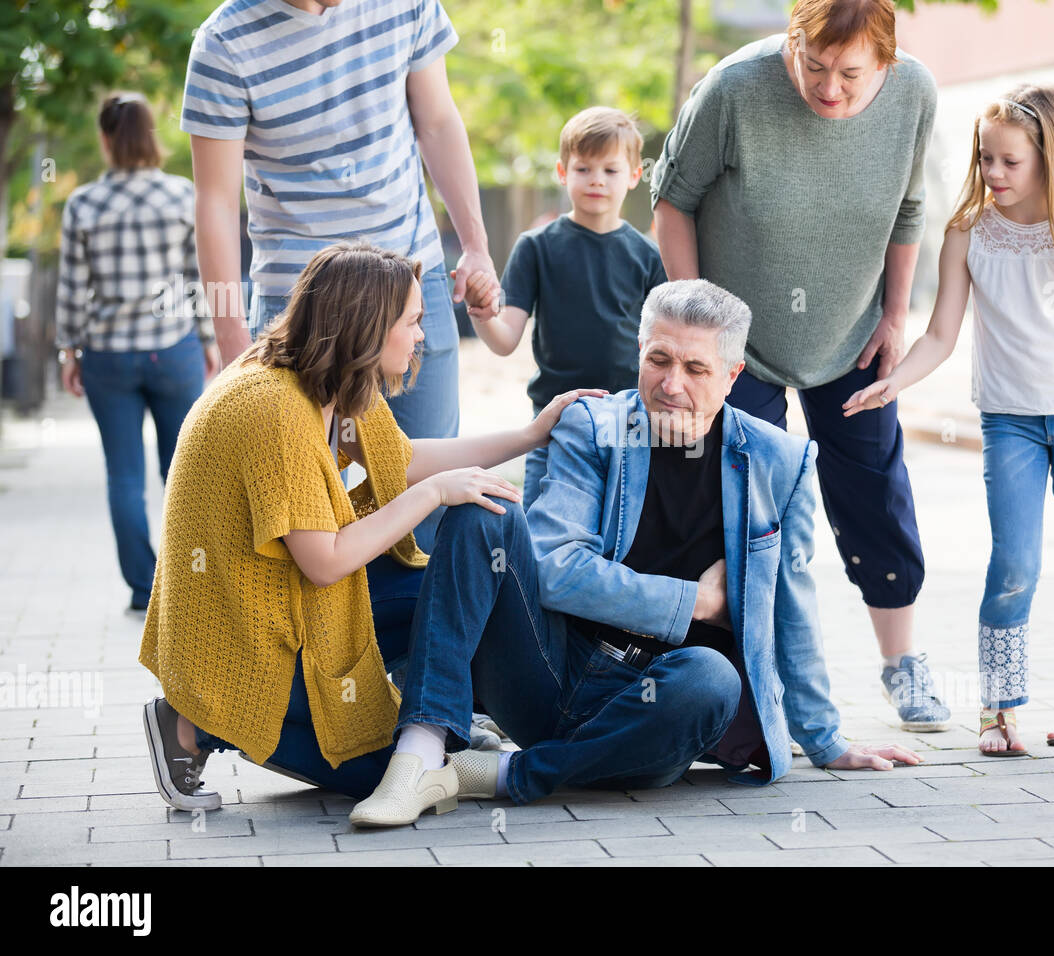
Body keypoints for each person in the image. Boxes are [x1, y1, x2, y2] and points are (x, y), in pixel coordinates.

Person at [349, 279, 921, 827]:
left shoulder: (782, 462)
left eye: (696, 368)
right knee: (481, 507)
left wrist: (826, 741)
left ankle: (506, 773)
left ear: (732, 375)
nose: (672, 384)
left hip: (657, 709)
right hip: (547, 669)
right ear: (638, 352)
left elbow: (792, 607)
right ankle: (421, 754)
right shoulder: (590, 426)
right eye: (659, 360)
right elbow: (554, 569)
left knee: (712, 678)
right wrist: (693, 601)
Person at [138, 242, 591, 812]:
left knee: (452, 597)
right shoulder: (274, 408)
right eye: (412, 322)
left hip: (306, 603)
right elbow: (324, 558)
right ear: (367, 326)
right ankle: (195, 722)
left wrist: (528, 437)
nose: (422, 335)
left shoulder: (332, 379)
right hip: (254, 636)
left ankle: (426, 719)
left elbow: (398, 462)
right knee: (385, 773)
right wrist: (433, 496)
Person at [650, 0, 951, 732]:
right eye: (812, 66)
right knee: (751, 509)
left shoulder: (915, 92)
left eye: (851, 73)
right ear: (792, 42)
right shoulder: (734, 87)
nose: (829, 88)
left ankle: (901, 663)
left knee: (876, 491)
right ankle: (755, 681)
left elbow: (909, 210)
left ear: (886, 59)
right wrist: (701, 334)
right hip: (739, 346)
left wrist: (895, 315)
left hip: (851, 333)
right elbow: (671, 201)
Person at [845, 84, 1054, 756]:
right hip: (1010, 425)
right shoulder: (967, 235)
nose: (993, 174)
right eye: (984, 160)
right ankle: (998, 710)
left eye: (1009, 162)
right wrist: (894, 383)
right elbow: (941, 335)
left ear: (1047, 160)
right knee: (1014, 564)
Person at [180, 0, 501, 552]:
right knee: (320, 508)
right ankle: (334, 635)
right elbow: (214, 203)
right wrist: (234, 341)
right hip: (304, 311)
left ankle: (410, 636)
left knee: (421, 486)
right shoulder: (224, 43)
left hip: (409, 291)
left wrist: (475, 244)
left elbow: (439, 123)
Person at [55, 93, 218, 616]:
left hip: (108, 356)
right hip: (173, 351)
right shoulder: (180, 196)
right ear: (151, 136)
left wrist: (68, 349)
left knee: (123, 475)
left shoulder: (83, 204)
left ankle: (144, 587)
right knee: (184, 471)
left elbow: (71, 288)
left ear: (105, 139)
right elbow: (198, 276)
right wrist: (209, 339)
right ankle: (190, 581)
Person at [462, 106, 668, 508]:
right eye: (583, 169)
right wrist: (483, 314)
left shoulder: (647, 255)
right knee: (545, 526)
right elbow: (505, 340)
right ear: (562, 172)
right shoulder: (536, 247)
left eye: (610, 170)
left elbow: (662, 346)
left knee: (622, 530)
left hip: (629, 418)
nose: (596, 180)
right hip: (555, 421)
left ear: (633, 176)